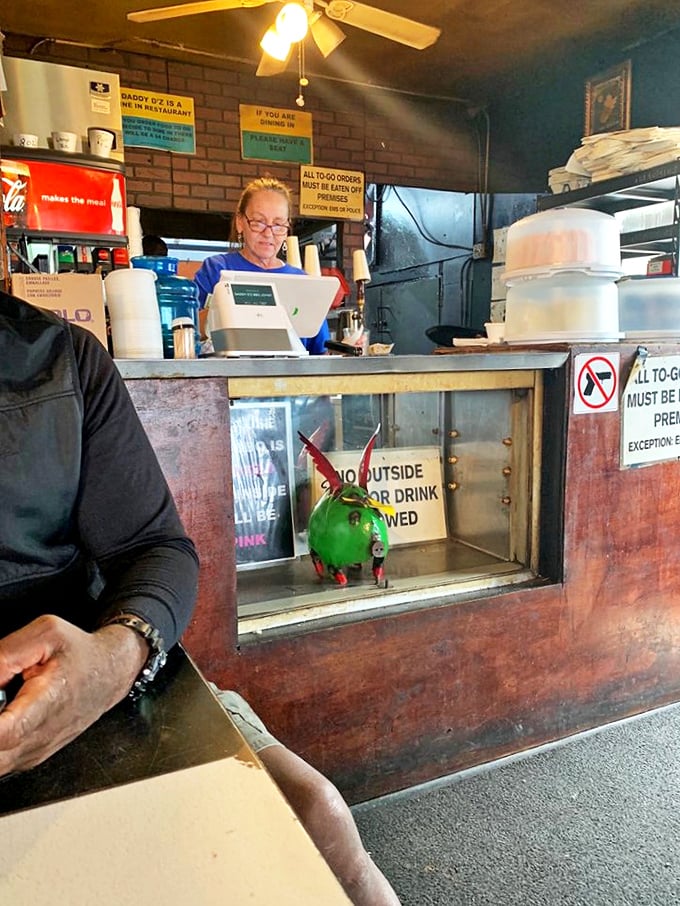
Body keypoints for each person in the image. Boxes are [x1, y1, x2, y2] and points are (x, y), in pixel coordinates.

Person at [0, 289, 400, 905]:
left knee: (316, 813)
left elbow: (157, 547)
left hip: (94, 687)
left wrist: (115, 656)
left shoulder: (61, 356)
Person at [193, 176, 331, 355]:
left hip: (291, 373)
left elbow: (321, 352)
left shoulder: (303, 282)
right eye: (258, 222)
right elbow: (187, 331)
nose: (268, 233)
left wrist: (348, 346)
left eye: (278, 224)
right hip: (230, 372)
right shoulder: (216, 269)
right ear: (240, 223)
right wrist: (218, 314)